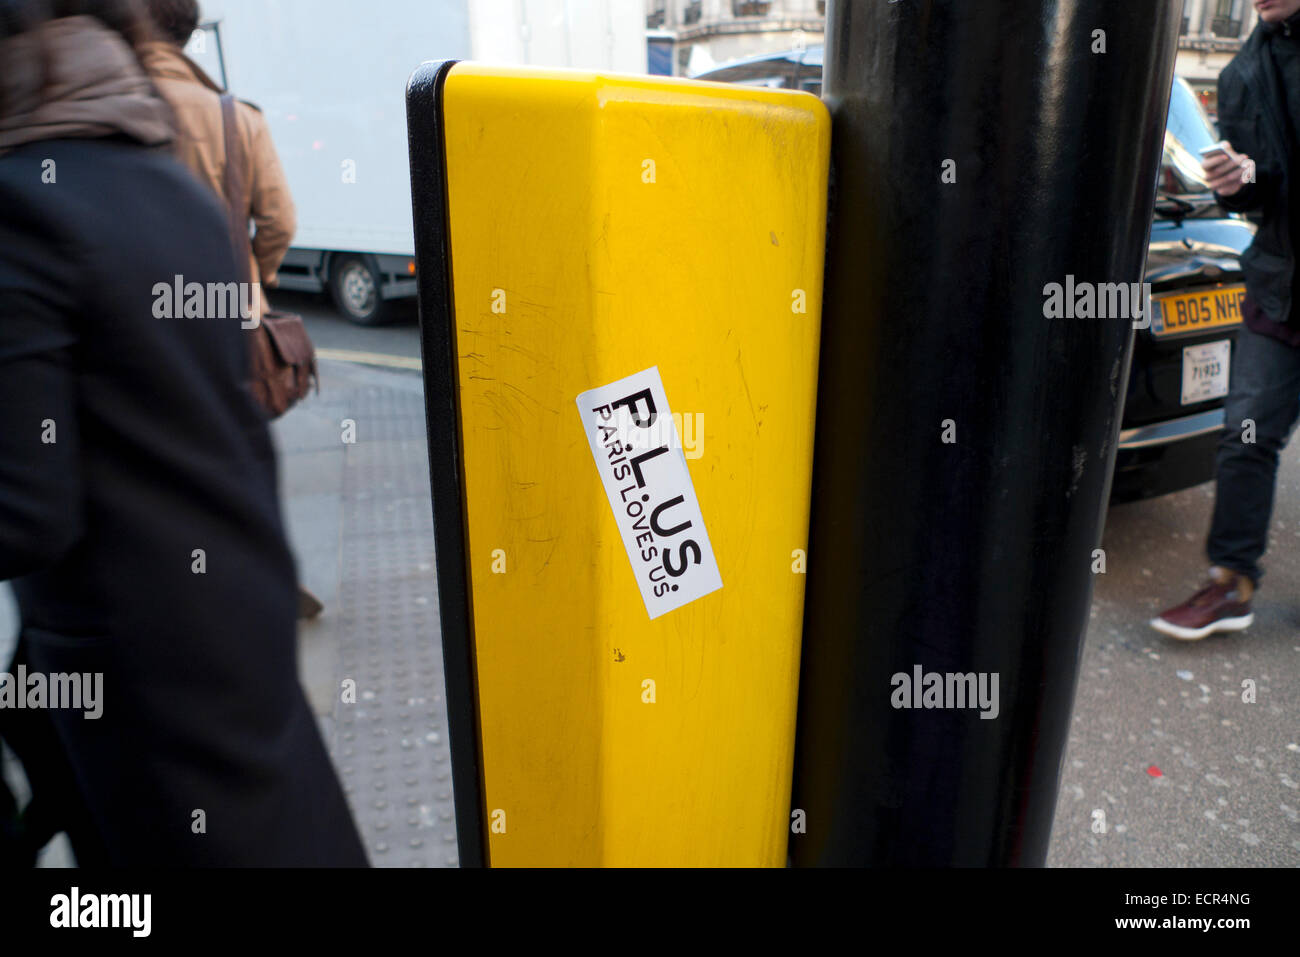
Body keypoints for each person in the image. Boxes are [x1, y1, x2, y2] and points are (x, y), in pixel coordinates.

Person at [0, 0, 365, 865]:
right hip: (240, 613)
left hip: (134, 672)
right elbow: (271, 228)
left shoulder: (22, 210)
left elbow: (26, 507)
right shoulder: (176, 175)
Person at [137, 0, 324, 618]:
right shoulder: (234, 117)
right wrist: (254, 282)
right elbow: (280, 219)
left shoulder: (114, 113)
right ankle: (259, 571)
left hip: (146, 327)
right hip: (233, 326)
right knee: (237, 453)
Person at [1152, 0, 1300, 640]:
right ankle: (1230, 583)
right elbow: (1260, 193)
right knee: (1245, 435)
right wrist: (1238, 183)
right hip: (1280, 285)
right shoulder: (1243, 69)